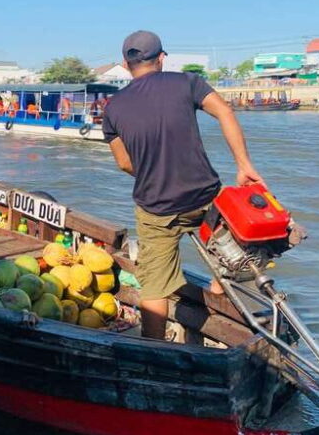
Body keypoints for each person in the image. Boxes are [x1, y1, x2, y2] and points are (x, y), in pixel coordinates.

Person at [103, 30, 264, 340]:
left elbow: (123, 162)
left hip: (156, 207)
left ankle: (154, 350)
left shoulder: (113, 107)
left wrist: (153, 173)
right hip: (205, 197)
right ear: (162, 58)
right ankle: (219, 298)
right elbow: (225, 112)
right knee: (226, 257)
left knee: (155, 287)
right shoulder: (188, 82)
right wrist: (244, 166)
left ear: (125, 65)